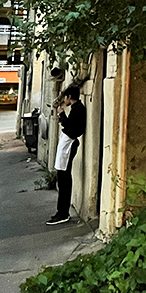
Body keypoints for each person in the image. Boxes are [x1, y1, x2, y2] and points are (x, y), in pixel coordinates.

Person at [46, 85, 87, 225]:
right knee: (63, 178)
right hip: (67, 143)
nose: (64, 100)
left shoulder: (78, 109)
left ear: (69, 97)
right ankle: (62, 211)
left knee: (64, 179)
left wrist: (62, 114)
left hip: (69, 144)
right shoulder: (77, 108)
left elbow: (70, 127)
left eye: (65, 97)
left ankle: (63, 213)